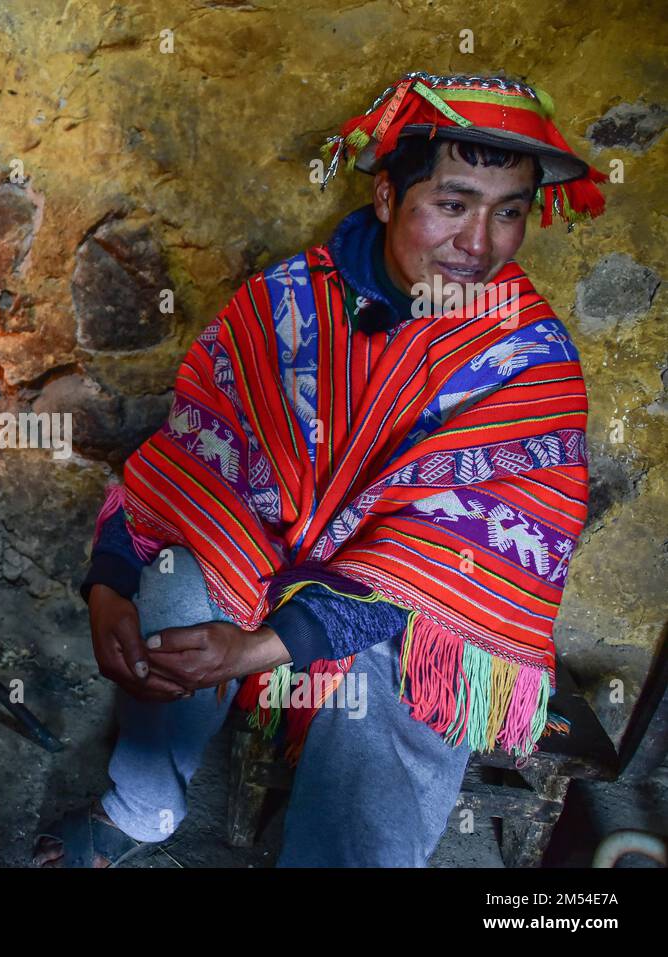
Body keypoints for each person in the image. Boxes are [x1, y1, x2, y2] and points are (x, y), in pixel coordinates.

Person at [34, 72, 604, 867]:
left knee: (418, 674)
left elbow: (457, 562)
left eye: (508, 212)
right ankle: (141, 807)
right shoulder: (287, 299)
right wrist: (108, 582)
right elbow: (188, 463)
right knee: (171, 580)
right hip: (271, 558)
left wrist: (264, 646)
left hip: (404, 608)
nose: (480, 243)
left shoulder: (530, 363)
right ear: (385, 198)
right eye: (453, 203)